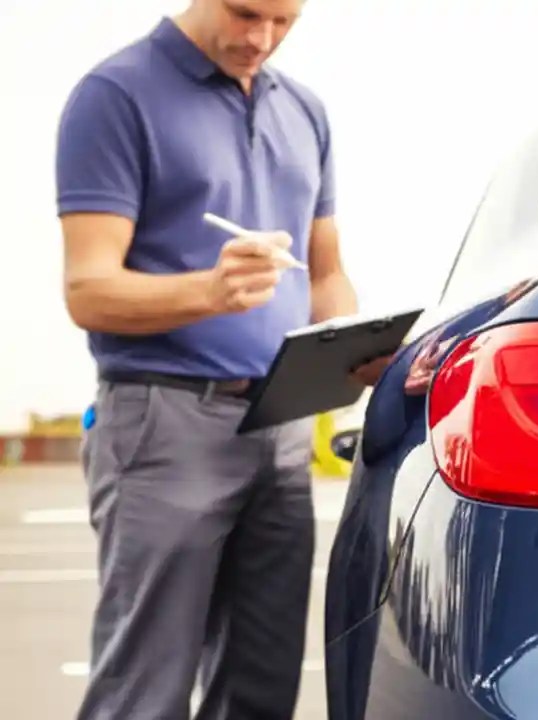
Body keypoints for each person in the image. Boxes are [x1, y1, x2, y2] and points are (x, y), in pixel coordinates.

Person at [53, 1, 389, 717]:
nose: (259, 38)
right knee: (145, 689)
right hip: (162, 423)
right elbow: (88, 290)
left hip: (281, 425)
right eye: (244, 14)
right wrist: (208, 291)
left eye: (282, 21)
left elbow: (324, 274)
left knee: (262, 686)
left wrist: (364, 345)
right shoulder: (116, 97)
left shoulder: (303, 110)